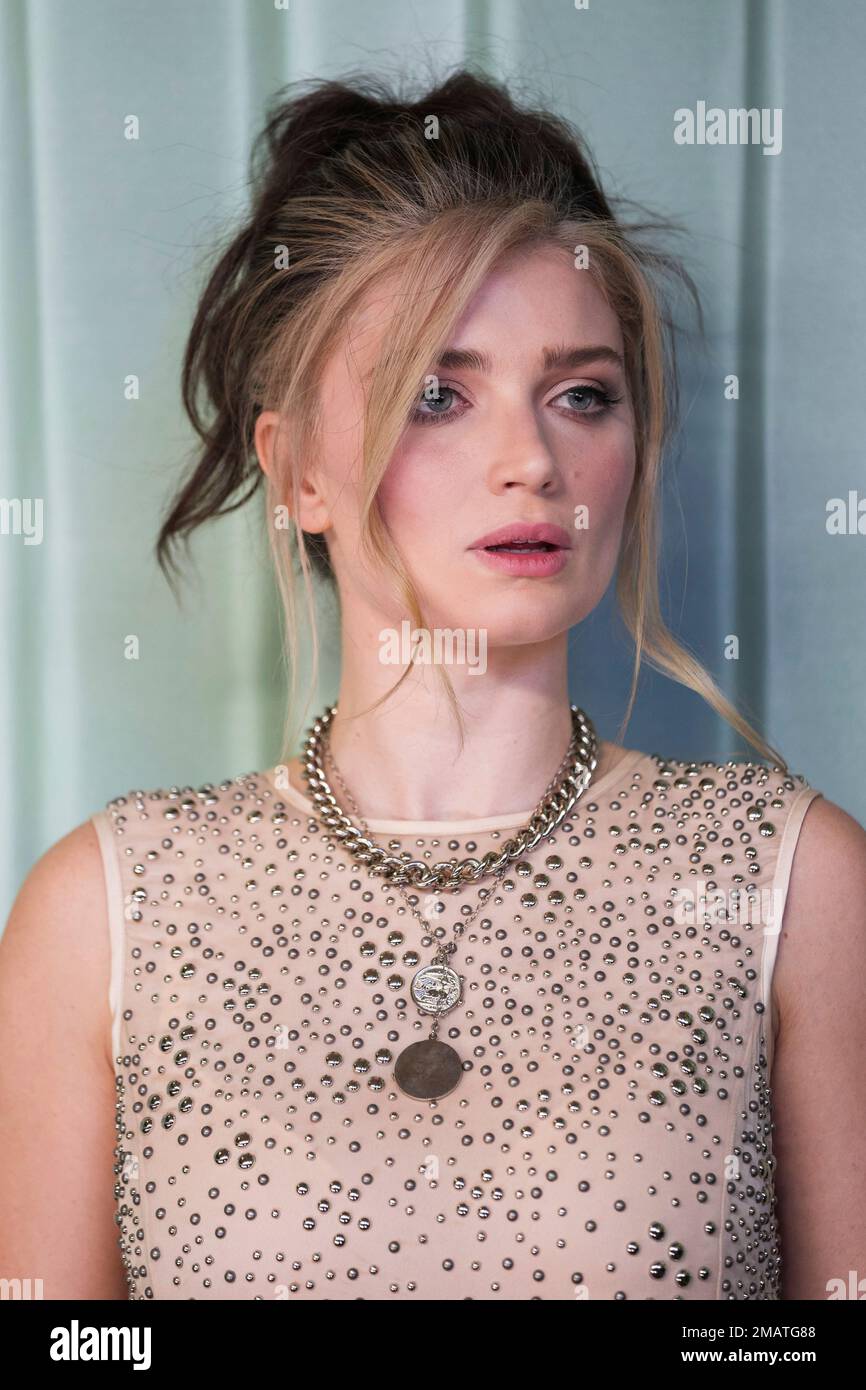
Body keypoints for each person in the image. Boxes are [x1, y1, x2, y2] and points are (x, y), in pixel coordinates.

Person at [2, 70, 864, 1302]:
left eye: (581, 395)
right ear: (294, 467)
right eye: (434, 396)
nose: (529, 459)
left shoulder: (790, 885)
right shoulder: (107, 911)